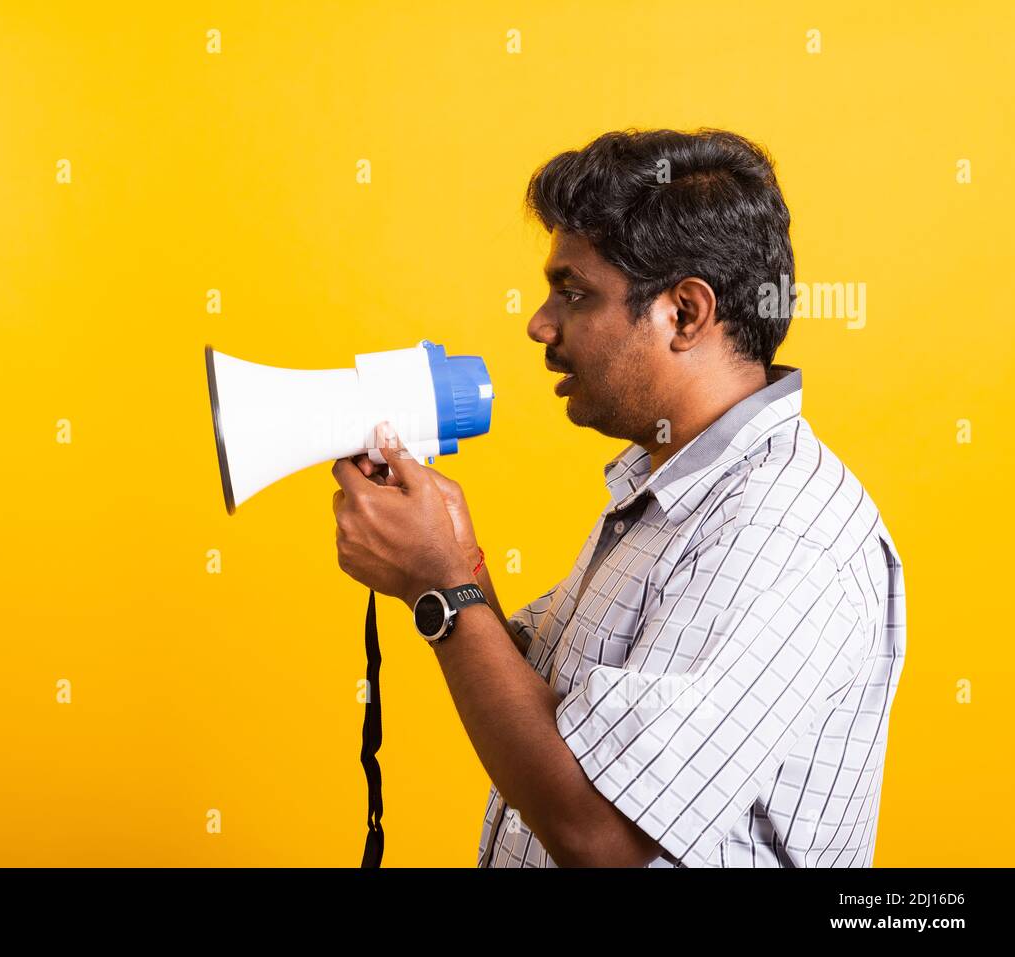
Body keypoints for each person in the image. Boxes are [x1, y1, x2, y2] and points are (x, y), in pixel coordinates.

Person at [330, 128, 906, 867]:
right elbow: (552, 714)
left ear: (685, 314)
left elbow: (604, 835)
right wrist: (454, 561)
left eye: (573, 292)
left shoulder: (784, 533)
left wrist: (439, 588)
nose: (539, 323)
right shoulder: (672, 488)